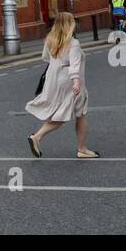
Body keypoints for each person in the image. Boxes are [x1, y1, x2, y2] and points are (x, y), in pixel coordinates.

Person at [26, 11, 96, 159]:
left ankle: (79, 148)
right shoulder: (73, 43)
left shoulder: (50, 39)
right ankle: (39, 137)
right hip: (69, 80)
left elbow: (46, 57)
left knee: (66, 111)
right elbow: (75, 65)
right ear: (69, 24)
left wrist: (58, 63)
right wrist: (76, 82)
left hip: (54, 78)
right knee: (77, 113)